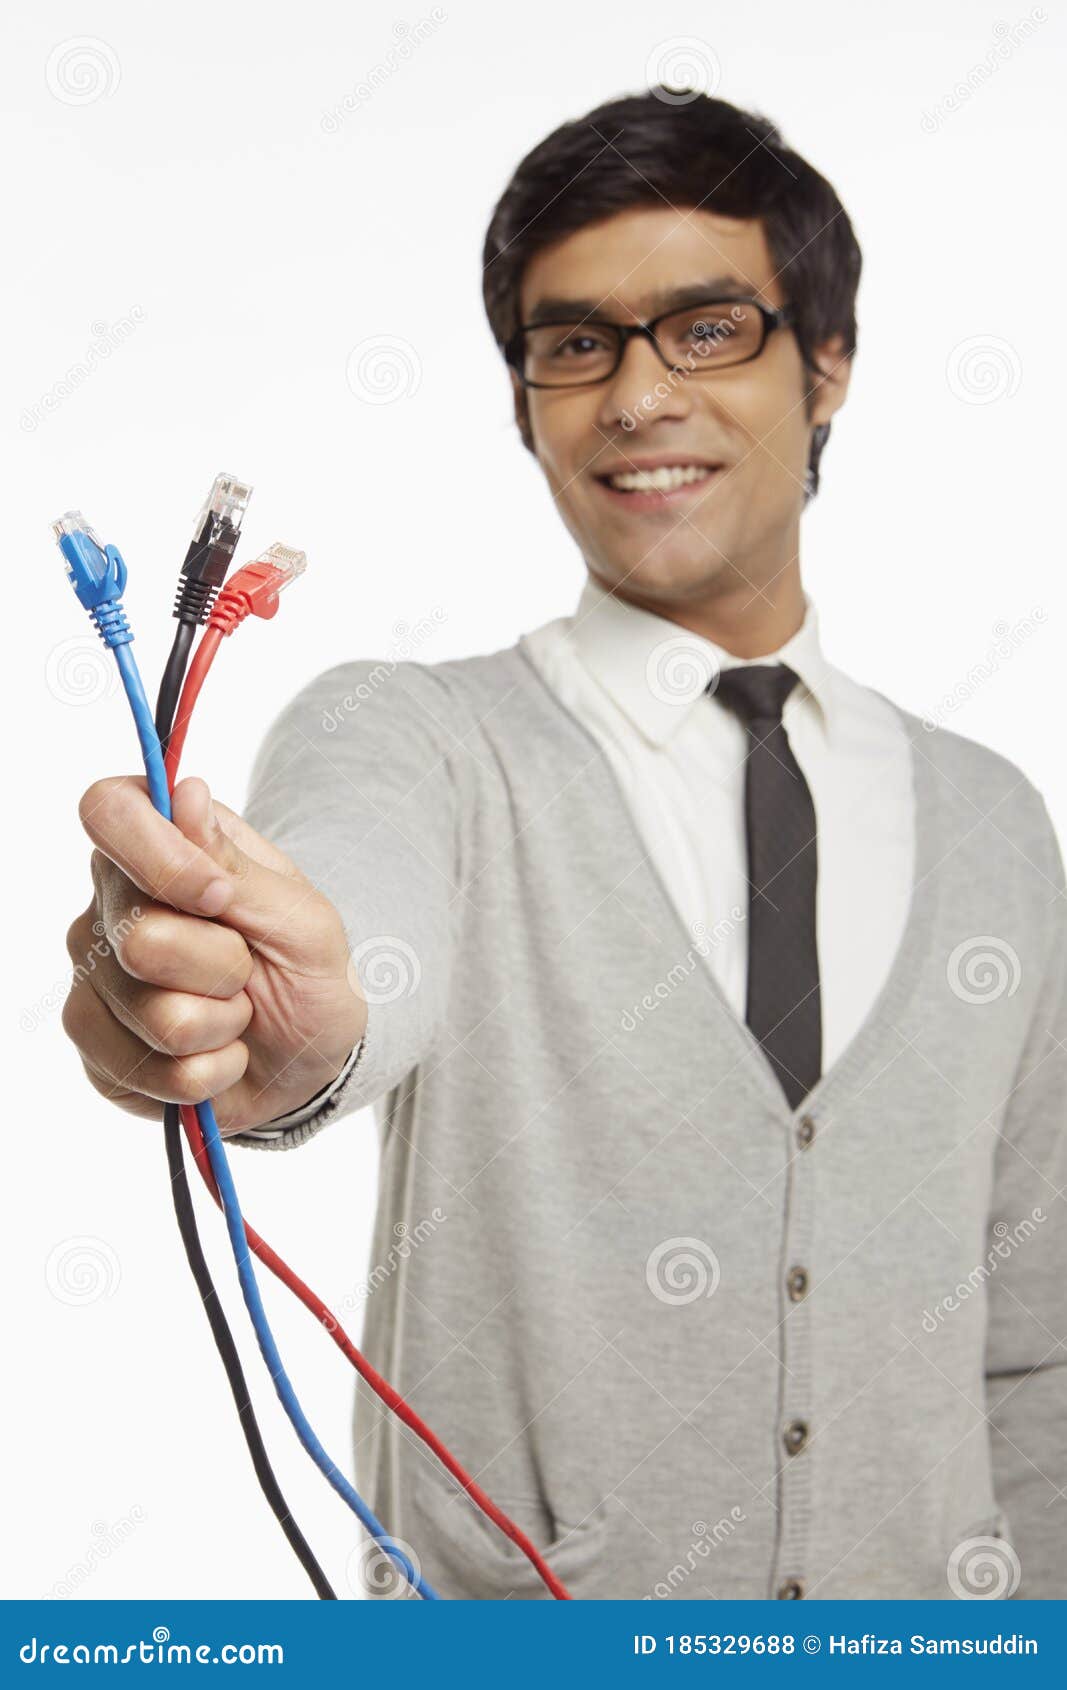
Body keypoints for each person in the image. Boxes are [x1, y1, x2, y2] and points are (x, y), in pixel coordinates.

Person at [63, 88, 1065, 1601]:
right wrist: (290, 1026)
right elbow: (356, 921)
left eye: (710, 326)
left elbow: (1034, 1341)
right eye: (574, 342)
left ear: (830, 363)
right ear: (525, 400)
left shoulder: (996, 820)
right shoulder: (415, 739)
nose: (637, 395)